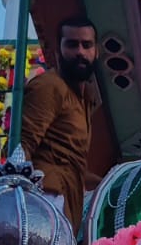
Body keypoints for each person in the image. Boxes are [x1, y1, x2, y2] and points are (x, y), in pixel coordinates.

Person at [20, 15, 101, 226]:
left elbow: (72, 163)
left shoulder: (85, 98)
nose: (80, 52)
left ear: (96, 51)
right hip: (45, 201)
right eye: (72, 45)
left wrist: (111, 182)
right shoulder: (49, 86)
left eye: (87, 45)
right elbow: (22, 145)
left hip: (67, 203)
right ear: (58, 50)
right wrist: (28, 201)